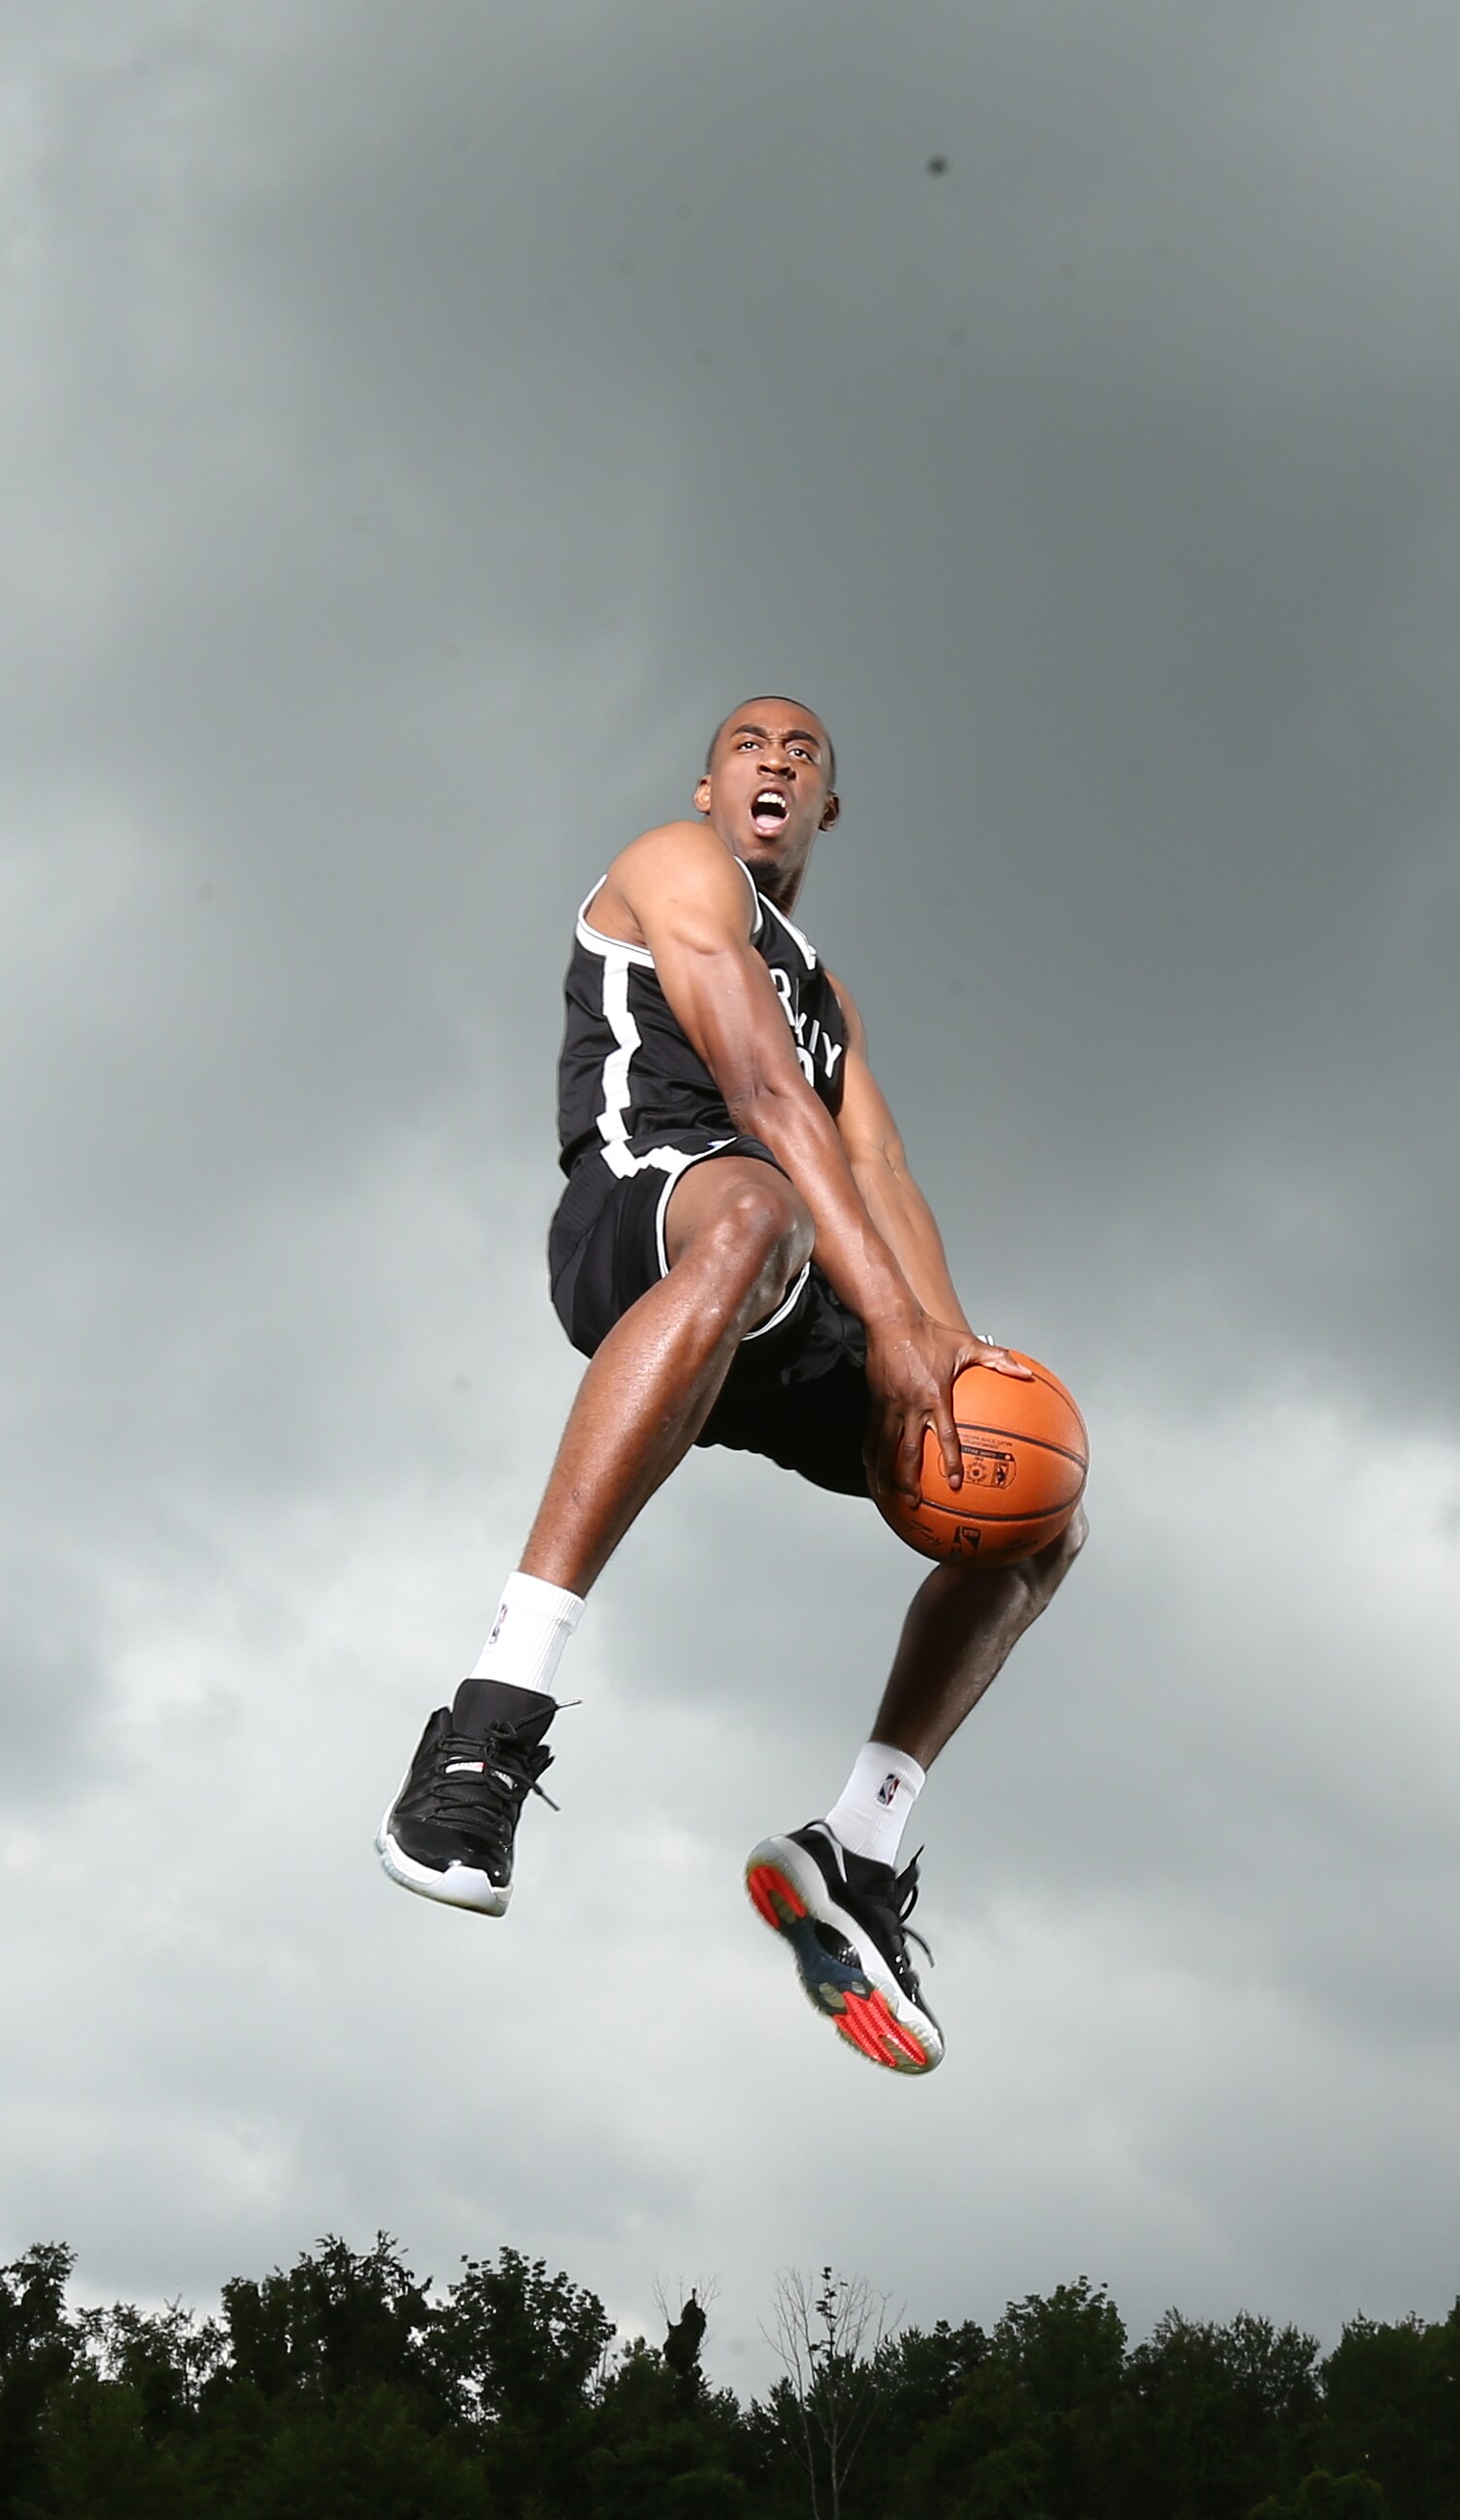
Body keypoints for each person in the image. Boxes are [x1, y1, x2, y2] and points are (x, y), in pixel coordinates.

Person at [377, 697, 1082, 2074]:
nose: (776, 759)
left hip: (786, 1268)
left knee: (1042, 1511)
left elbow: (880, 1172)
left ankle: (855, 1849)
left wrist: (945, 1355)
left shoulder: (830, 995)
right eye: (750, 743)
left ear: (829, 806)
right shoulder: (675, 864)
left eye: (804, 751)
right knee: (760, 1206)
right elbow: (761, 1096)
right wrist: (888, 1314)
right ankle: (486, 1723)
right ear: (708, 786)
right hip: (647, 1208)